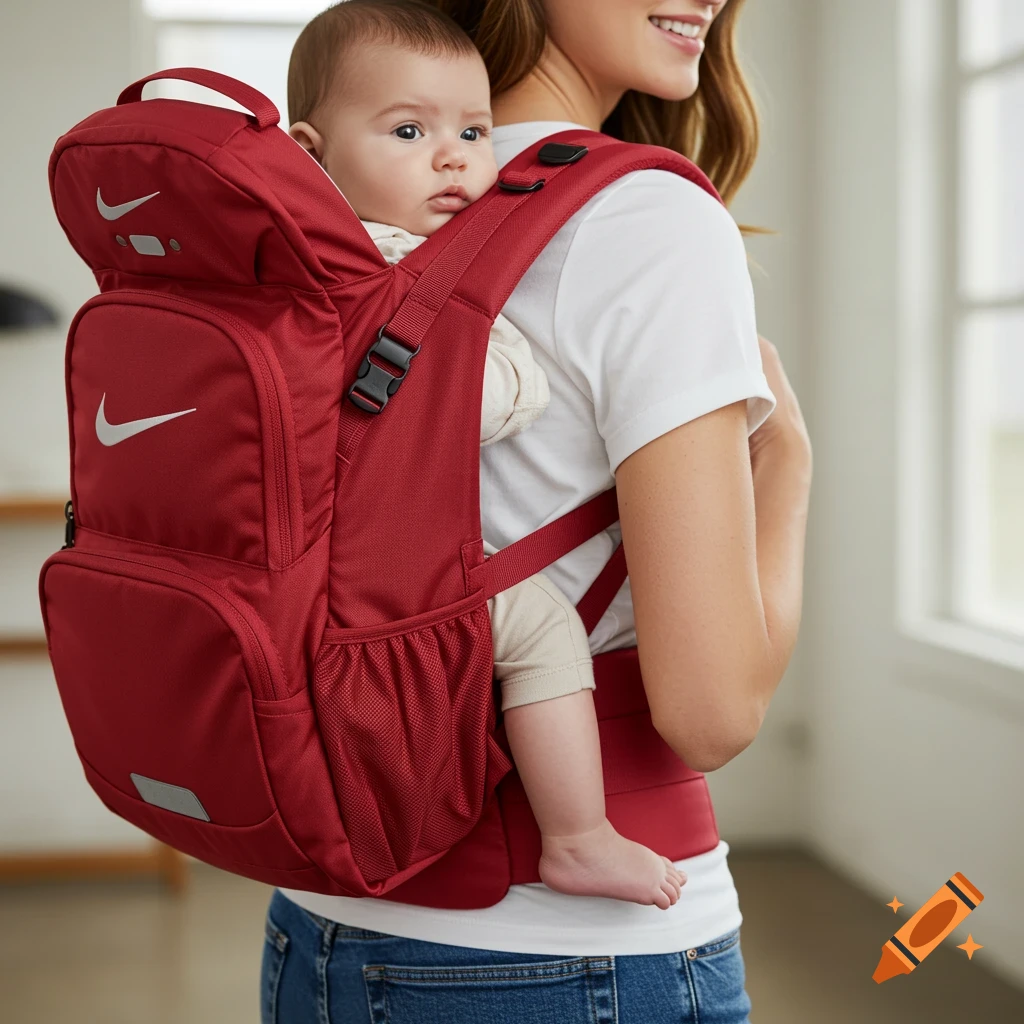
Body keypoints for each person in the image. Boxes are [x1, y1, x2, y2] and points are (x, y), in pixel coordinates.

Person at [262, 0, 813, 1020]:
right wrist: (786, 469)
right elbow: (710, 711)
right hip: (570, 955)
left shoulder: (337, 200)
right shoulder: (647, 218)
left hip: (321, 917)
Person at [288, 0, 687, 911]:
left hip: (298, 563)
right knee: (540, 629)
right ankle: (579, 837)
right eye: (408, 130)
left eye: (473, 130)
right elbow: (476, 406)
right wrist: (506, 353)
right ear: (310, 154)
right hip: (369, 569)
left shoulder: (279, 265)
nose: (454, 157)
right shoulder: (375, 266)